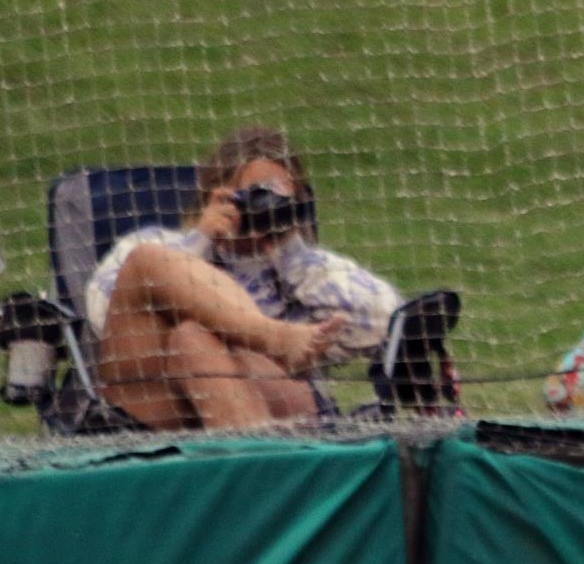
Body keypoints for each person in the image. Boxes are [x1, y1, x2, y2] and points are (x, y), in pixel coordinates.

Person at [86, 125, 401, 430]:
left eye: (278, 199)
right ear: (216, 193)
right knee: (149, 264)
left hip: (275, 402)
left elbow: (387, 319)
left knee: (193, 337)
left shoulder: (307, 272)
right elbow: (104, 314)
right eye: (256, 196)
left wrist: (291, 254)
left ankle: (255, 459)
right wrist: (199, 242)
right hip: (159, 406)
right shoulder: (157, 246)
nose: (264, 208)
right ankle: (274, 338)